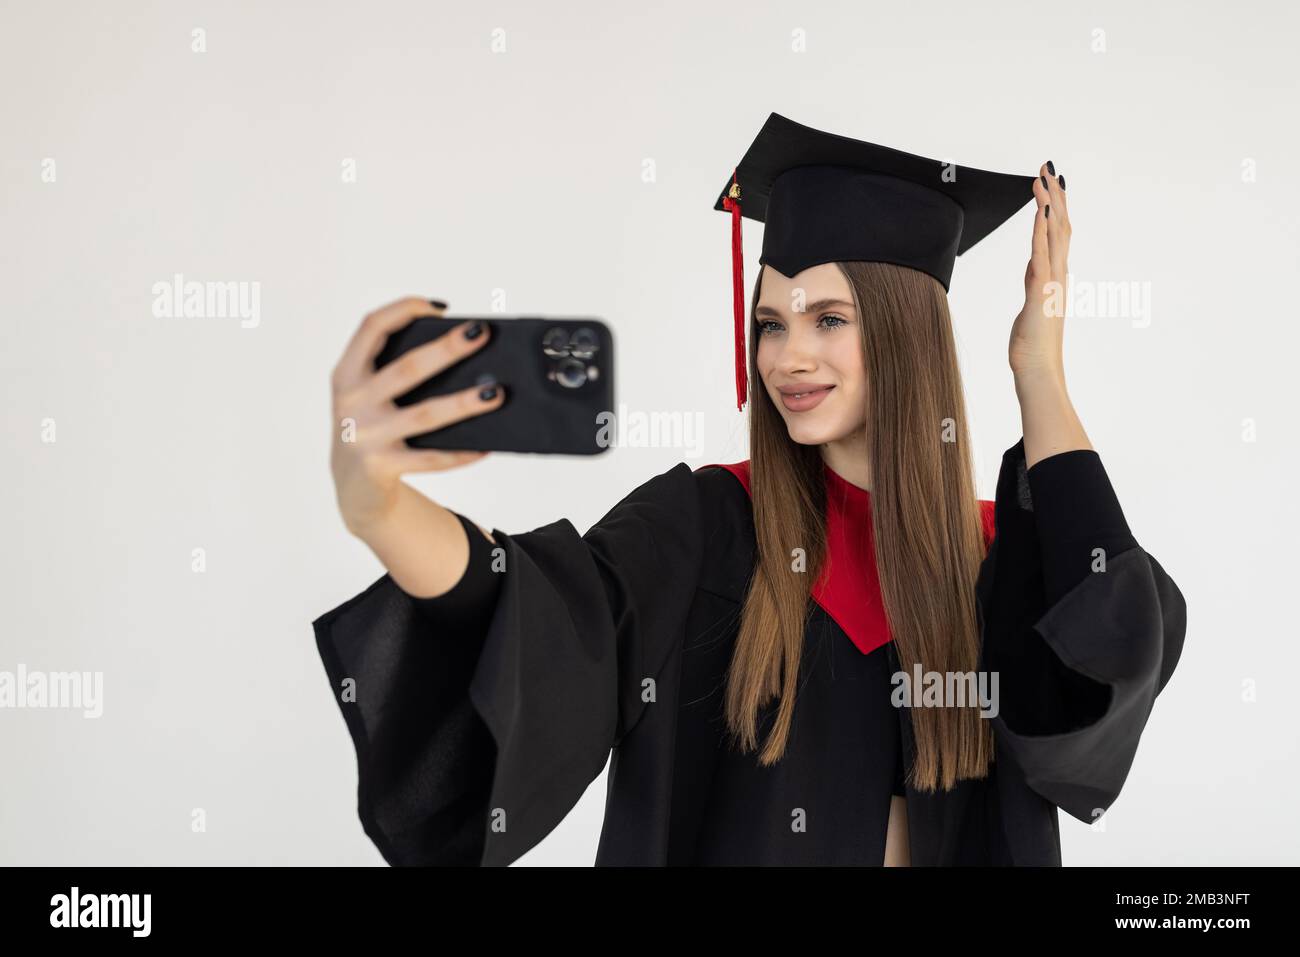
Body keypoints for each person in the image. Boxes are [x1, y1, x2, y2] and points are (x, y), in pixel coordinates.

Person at [313, 113, 1187, 866]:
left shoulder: (1004, 562)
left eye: (828, 319)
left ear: (906, 334)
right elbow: (548, 619)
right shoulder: (707, 529)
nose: (785, 356)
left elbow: (1107, 668)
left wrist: (1039, 371)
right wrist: (380, 507)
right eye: (770, 322)